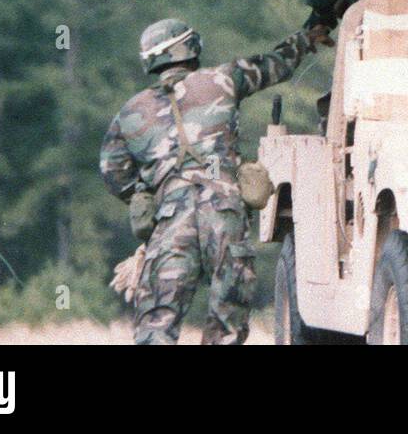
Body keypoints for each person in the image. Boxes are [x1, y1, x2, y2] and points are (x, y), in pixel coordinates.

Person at [99, 18, 322, 344]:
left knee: (157, 321)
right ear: (190, 48)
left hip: (171, 220)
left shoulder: (131, 110)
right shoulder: (223, 79)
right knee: (226, 326)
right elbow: (278, 64)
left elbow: (112, 170)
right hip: (224, 211)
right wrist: (308, 36)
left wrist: (146, 193)